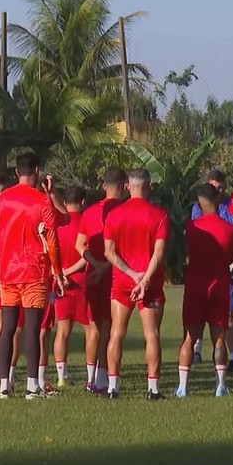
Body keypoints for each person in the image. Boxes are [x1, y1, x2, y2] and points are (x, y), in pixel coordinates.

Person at [0, 151, 65, 400]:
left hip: (8, 271)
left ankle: (4, 385)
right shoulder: (42, 201)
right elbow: (52, 240)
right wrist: (58, 272)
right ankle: (33, 386)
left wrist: (3, 261)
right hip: (34, 270)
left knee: (8, 326)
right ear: (37, 171)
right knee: (32, 328)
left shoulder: (1, 200)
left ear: (16, 172)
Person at [104, 168, 170, 399]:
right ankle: (153, 389)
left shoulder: (114, 215)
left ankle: (113, 387)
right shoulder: (159, 215)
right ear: (148, 186)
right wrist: (144, 279)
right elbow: (159, 253)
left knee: (116, 333)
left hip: (123, 282)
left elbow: (109, 252)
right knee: (152, 335)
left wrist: (132, 275)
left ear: (127, 187)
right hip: (149, 282)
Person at [178, 184, 233, 398]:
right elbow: (232, 257)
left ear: (199, 202)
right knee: (219, 338)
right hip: (220, 284)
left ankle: (183, 387)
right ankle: (221, 385)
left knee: (189, 338)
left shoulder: (191, 227)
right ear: (219, 199)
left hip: (195, 284)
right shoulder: (230, 229)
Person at [78, 168, 125, 393]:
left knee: (93, 328)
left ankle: (90, 379)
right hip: (115, 274)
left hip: (93, 275)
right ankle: (103, 378)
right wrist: (106, 266)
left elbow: (80, 245)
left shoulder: (89, 212)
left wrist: (95, 265)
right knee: (110, 327)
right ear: (125, 186)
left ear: (104, 186)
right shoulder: (124, 211)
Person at [190, 169, 233, 363]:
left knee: (225, 324)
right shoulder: (197, 211)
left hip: (218, 273)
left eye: (221, 187)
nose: (218, 191)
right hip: (212, 272)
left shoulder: (231, 206)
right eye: (214, 188)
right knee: (199, 329)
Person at [54, 186, 89, 388]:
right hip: (81, 281)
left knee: (62, 331)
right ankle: (92, 376)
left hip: (61, 283)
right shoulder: (85, 224)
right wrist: (69, 272)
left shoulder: (59, 226)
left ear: (65, 203)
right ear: (83, 202)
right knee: (90, 330)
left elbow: (50, 254)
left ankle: (61, 376)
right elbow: (86, 257)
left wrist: (59, 273)